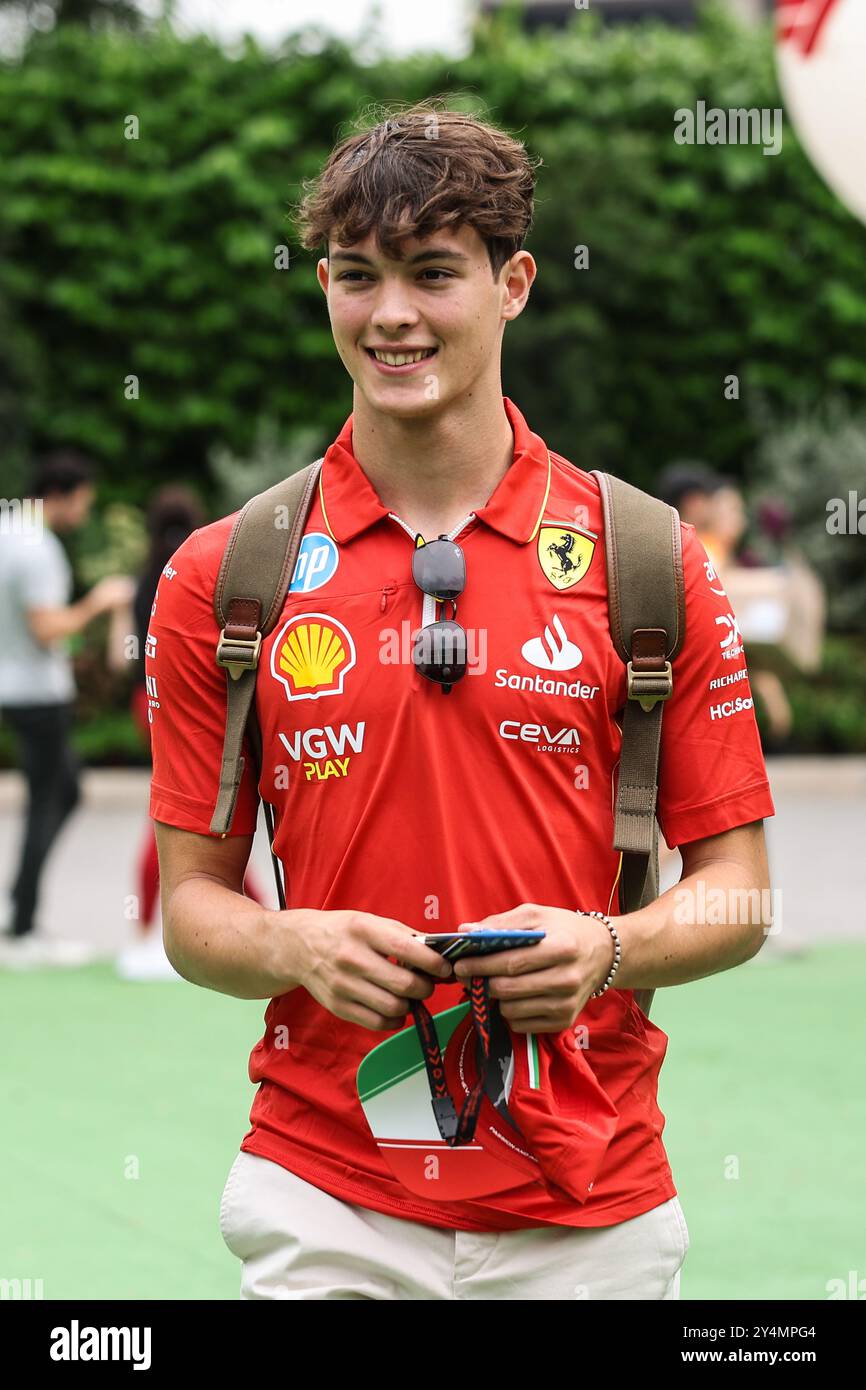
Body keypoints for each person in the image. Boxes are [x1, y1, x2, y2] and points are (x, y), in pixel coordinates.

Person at [147, 103, 775, 1300]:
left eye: (433, 273)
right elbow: (192, 908)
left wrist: (606, 947)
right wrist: (291, 942)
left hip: (588, 1205)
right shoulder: (226, 573)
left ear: (514, 283)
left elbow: (741, 891)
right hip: (325, 1192)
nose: (390, 314)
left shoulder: (644, 556)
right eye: (355, 276)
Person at [108, 486, 268, 980]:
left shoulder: (142, 582)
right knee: (195, 817)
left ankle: (245, 913)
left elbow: (123, 658)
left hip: (147, 700)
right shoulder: (207, 570)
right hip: (196, 700)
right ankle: (251, 913)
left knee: (188, 814)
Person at [0, 450, 134, 965]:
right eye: (81, 502)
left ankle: (21, 913)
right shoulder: (36, 549)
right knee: (49, 798)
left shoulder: (10, 530)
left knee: (63, 791)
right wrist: (98, 602)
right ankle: (23, 922)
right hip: (38, 693)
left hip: (17, 688)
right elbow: (47, 629)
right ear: (61, 496)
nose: (83, 514)